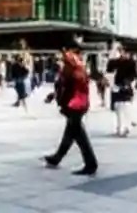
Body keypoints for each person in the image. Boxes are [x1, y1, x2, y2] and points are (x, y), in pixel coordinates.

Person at [43, 39, 97, 176]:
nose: (62, 54)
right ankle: (57, 158)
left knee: (79, 136)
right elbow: (65, 84)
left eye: (65, 50)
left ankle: (91, 164)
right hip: (76, 103)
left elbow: (69, 83)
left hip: (76, 104)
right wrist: (54, 94)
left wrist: (57, 94)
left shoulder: (73, 65)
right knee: (70, 133)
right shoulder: (76, 65)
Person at [106, 46, 137, 137]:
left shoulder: (131, 62)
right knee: (117, 108)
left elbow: (133, 75)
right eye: (120, 52)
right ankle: (121, 127)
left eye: (123, 52)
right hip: (116, 87)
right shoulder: (114, 62)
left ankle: (126, 127)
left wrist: (128, 83)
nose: (121, 54)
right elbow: (108, 72)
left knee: (125, 107)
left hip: (126, 87)